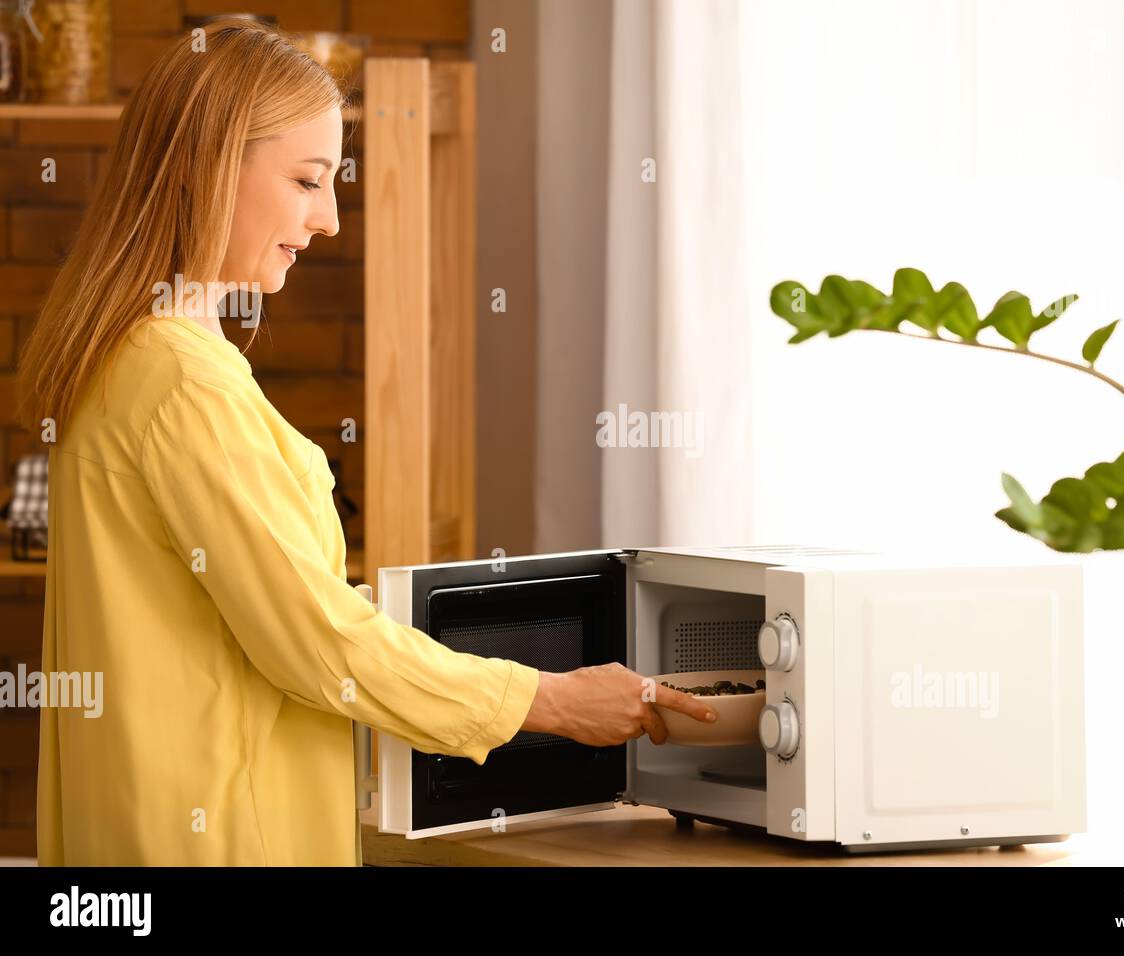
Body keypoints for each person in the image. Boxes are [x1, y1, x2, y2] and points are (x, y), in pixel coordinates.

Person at [16, 19, 716, 867]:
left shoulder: (129, 356)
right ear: (209, 165)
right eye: (309, 180)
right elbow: (318, 639)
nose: (332, 219)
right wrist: (555, 701)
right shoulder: (184, 386)